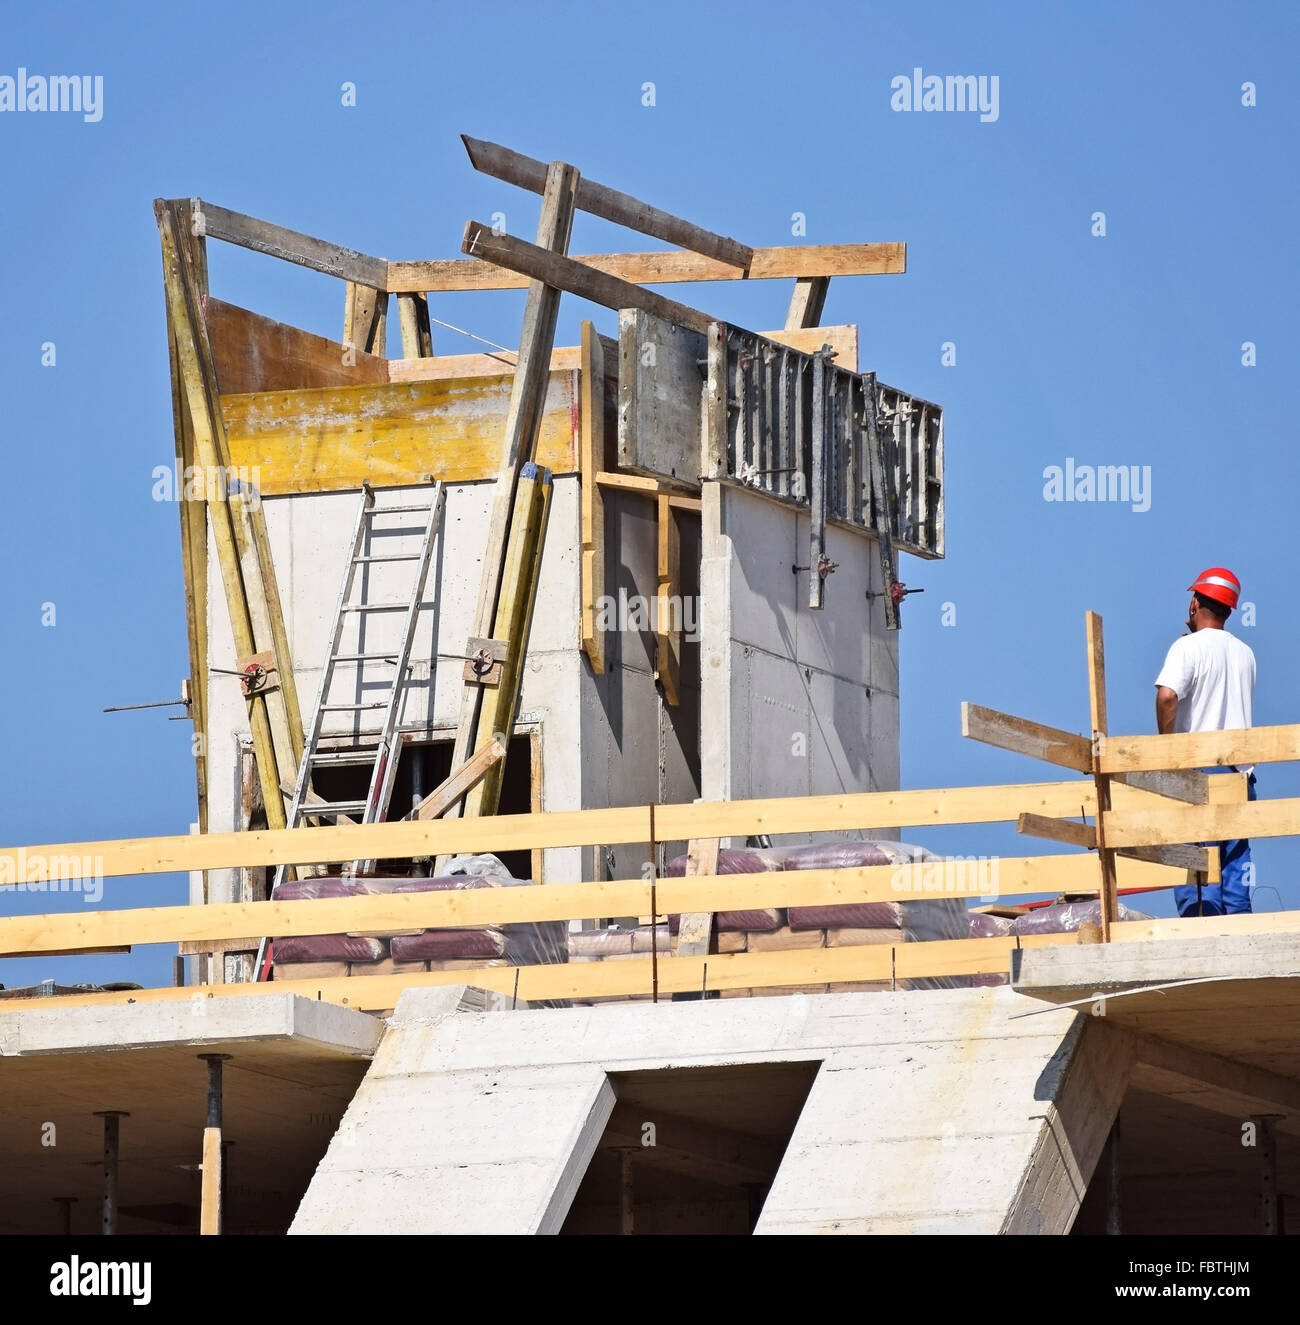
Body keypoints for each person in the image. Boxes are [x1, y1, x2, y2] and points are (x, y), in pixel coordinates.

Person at [1154, 568, 1257, 916]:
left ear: (1195, 603)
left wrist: (1166, 752)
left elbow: (1167, 696)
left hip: (1199, 774)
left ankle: (1201, 935)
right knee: (1234, 872)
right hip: (1240, 776)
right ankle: (1241, 940)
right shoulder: (1245, 653)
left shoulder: (1187, 648)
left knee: (1197, 875)